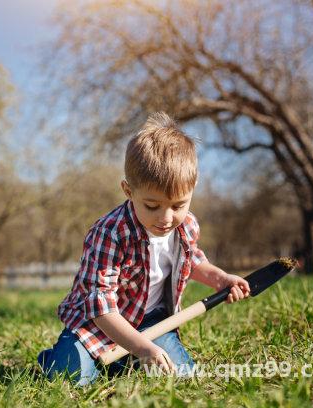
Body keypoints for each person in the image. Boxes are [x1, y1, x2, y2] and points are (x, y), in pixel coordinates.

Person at [37, 112, 251, 385]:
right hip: (98, 324)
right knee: (70, 377)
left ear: (192, 189)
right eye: (152, 206)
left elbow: (192, 260)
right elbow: (100, 306)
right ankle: (63, 357)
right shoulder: (110, 233)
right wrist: (141, 348)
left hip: (152, 323)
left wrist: (220, 278)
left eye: (178, 205)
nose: (166, 218)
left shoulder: (186, 226)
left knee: (180, 378)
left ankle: (125, 361)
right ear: (128, 190)